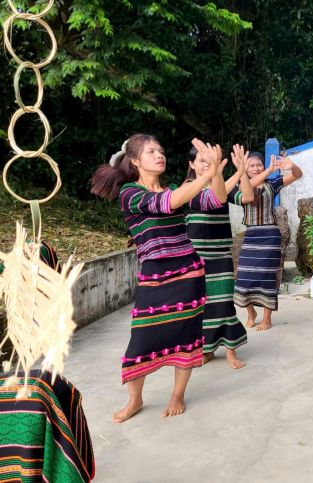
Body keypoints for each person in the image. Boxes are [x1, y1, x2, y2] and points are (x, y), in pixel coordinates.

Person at [91, 134, 226, 422]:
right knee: (141, 339)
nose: (159, 154)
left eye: (161, 150)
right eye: (151, 151)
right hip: (154, 276)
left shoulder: (176, 188)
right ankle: (135, 400)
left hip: (189, 272)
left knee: (187, 336)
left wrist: (216, 173)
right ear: (136, 160)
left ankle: (177, 396)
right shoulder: (131, 193)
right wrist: (206, 175)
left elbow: (217, 199)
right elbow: (166, 203)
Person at [185, 143, 254, 369]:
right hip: (196, 257)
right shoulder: (187, 188)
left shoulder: (222, 186)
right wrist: (233, 173)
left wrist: (241, 172)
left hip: (221, 254)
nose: (206, 164)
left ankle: (230, 352)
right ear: (191, 165)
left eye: (209, 160)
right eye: (201, 161)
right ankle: (207, 349)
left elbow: (246, 197)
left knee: (224, 303)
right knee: (202, 305)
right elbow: (216, 197)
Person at [234, 151, 303, 330]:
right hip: (251, 234)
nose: (256, 168)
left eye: (259, 165)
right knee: (243, 277)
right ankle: (251, 313)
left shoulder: (271, 184)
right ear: (244, 169)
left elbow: (297, 175)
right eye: (251, 166)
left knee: (267, 278)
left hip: (270, 235)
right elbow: (246, 189)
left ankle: (267, 319)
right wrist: (268, 171)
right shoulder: (239, 184)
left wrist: (291, 165)